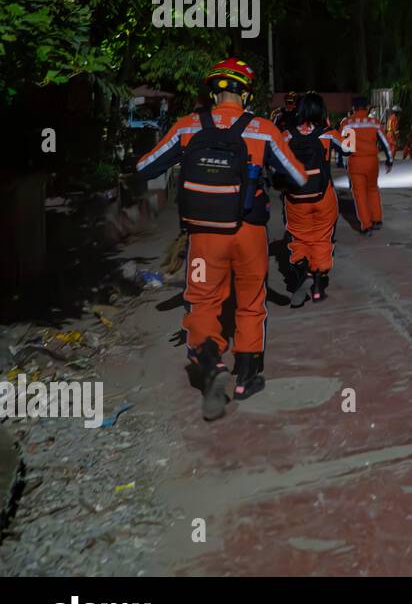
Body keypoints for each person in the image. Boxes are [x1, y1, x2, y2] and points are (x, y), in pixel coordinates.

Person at [136, 58, 308, 421]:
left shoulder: (188, 126)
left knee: (201, 301)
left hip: (203, 236)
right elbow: (298, 177)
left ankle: (211, 363)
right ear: (245, 94)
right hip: (248, 233)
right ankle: (246, 377)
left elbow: (145, 167)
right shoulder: (262, 129)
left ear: (213, 93)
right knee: (251, 302)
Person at [283, 92, 348, 307]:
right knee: (322, 238)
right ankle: (317, 281)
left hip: (295, 198)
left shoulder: (286, 135)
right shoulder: (327, 134)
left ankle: (303, 271)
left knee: (300, 238)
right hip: (323, 195)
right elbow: (349, 149)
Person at [340, 95, 392, 235]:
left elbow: (343, 146)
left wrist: (344, 160)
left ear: (353, 108)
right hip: (371, 162)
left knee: (359, 194)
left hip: (355, 162)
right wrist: (389, 160)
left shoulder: (346, 123)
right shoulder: (374, 123)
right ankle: (377, 219)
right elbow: (385, 143)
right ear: (367, 107)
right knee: (373, 189)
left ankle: (366, 225)